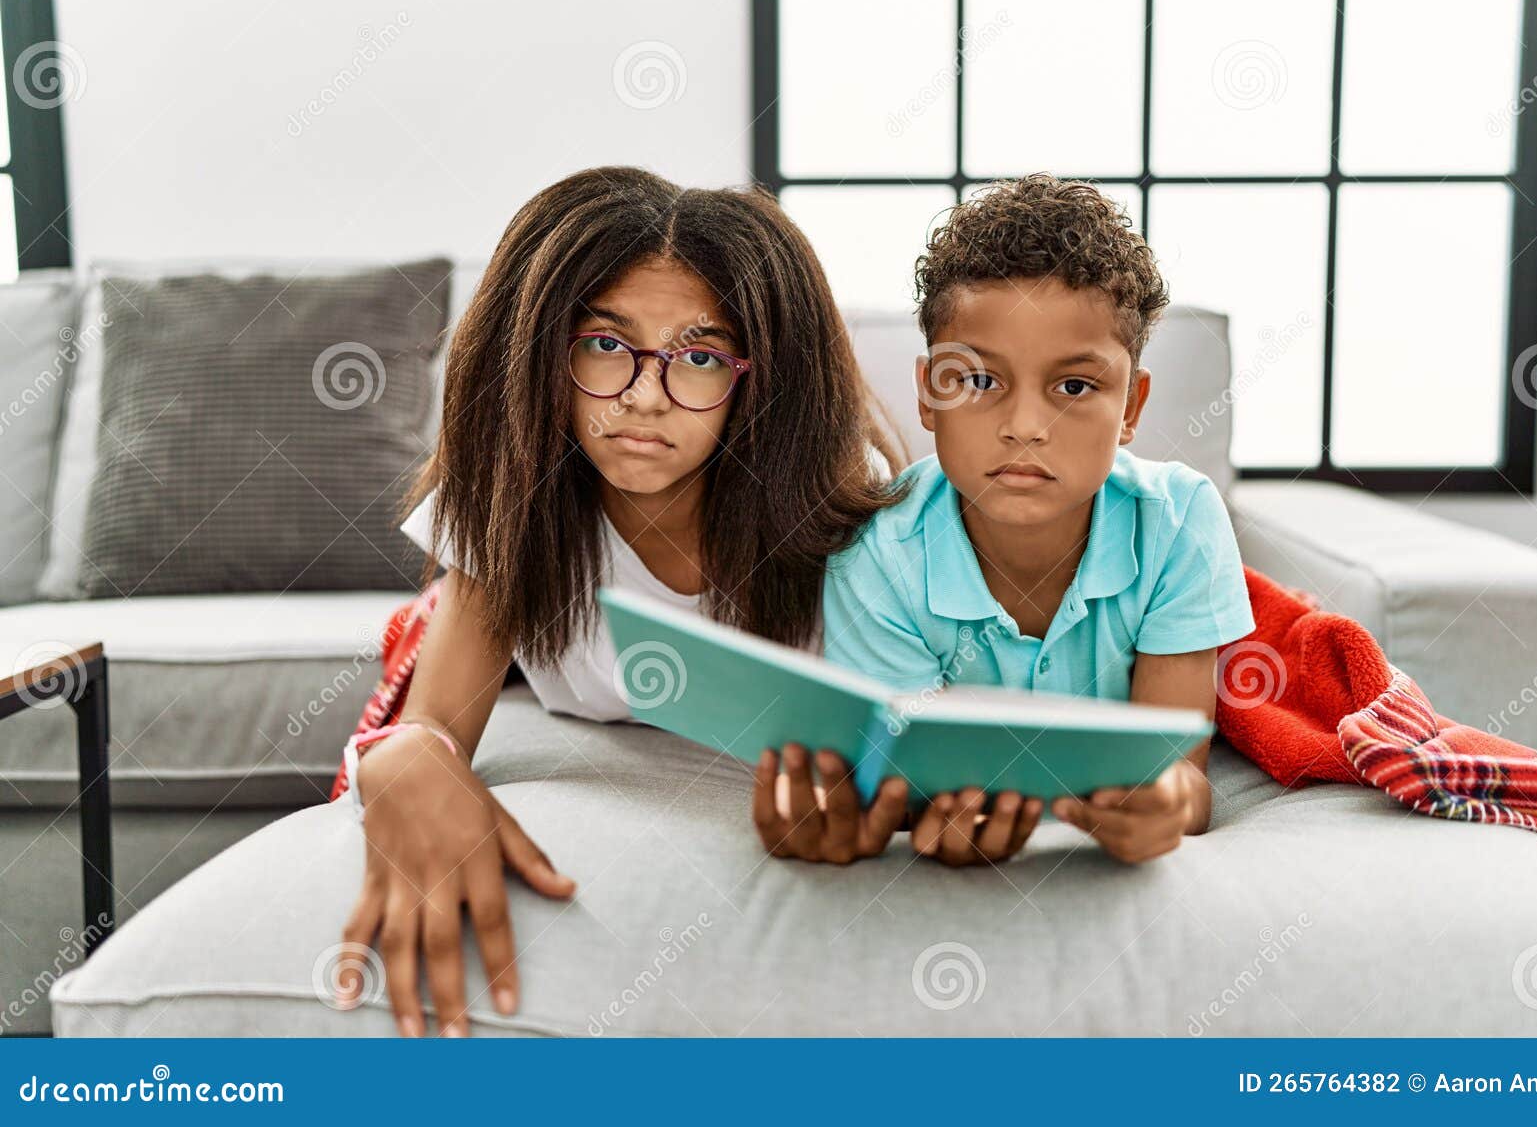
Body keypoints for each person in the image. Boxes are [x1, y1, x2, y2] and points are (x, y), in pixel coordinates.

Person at [338, 166, 903, 1036]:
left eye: (701, 358)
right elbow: (430, 725)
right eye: (605, 344)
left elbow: (890, 726)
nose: (643, 397)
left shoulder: (843, 509)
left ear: (756, 381)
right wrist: (403, 760)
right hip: (511, 632)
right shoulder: (512, 495)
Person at [753, 174, 1254, 869]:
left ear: (1132, 407)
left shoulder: (1178, 521)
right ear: (928, 393)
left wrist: (1166, 805)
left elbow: (1178, 773)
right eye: (980, 381)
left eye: (1074, 386)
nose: (1025, 427)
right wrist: (925, 810)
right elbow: (893, 779)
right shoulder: (877, 546)